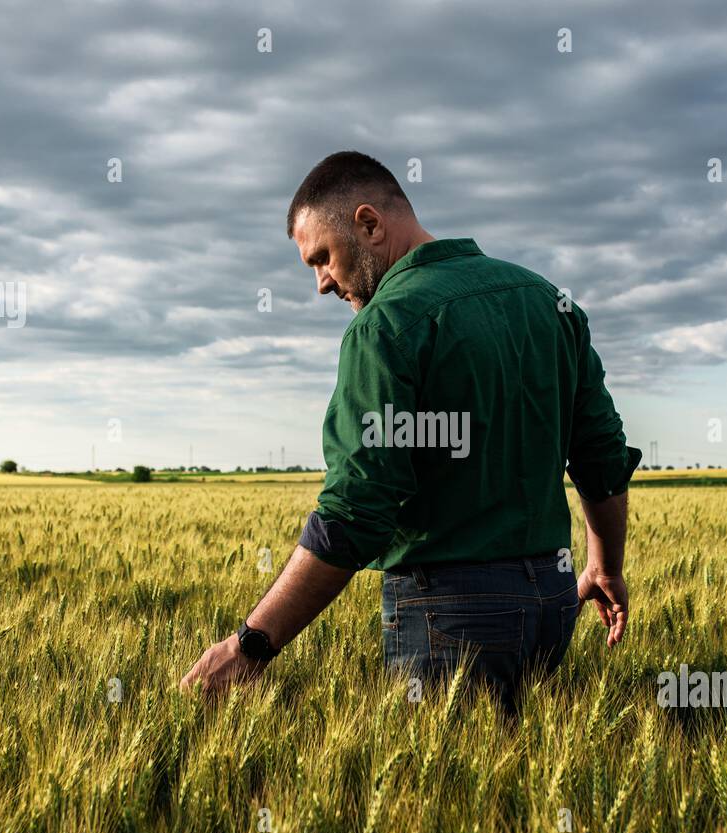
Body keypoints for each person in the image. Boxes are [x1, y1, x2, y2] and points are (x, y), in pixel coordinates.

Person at [180, 150, 638, 714]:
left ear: (369, 224)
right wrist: (603, 566)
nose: (322, 284)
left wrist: (251, 644)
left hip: (450, 614)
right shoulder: (548, 300)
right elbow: (602, 456)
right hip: (552, 598)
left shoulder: (385, 326)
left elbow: (354, 512)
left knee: (446, 799)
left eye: (322, 258)